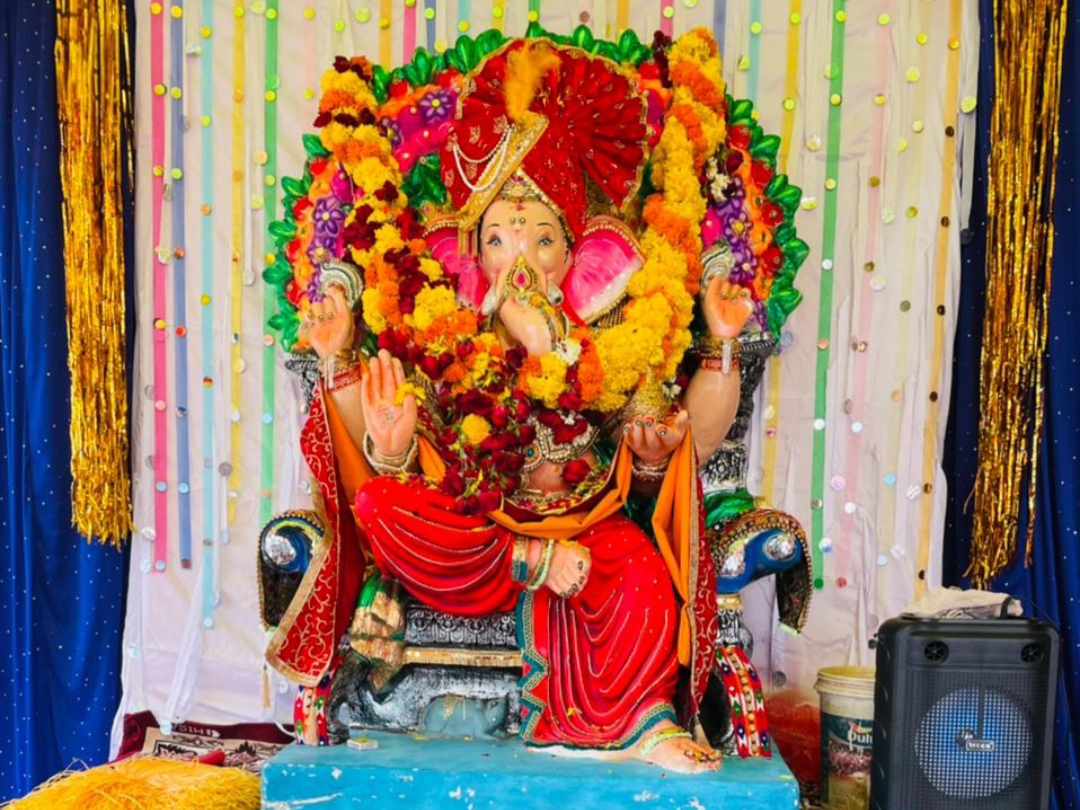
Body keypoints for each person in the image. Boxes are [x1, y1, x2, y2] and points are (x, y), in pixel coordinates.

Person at [269, 35, 753, 773]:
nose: (518, 256)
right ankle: (530, 560)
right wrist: (387, 437)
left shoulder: (611, 341)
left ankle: (646, 726)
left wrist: (696, 381)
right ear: (471, 261)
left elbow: (691, 436)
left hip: (585, 519)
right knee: (382, 512)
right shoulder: (443, 342)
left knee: (649, 584)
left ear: (582, 260)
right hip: (483, 533)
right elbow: (390, 466)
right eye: (497, 237)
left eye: (541, 238)